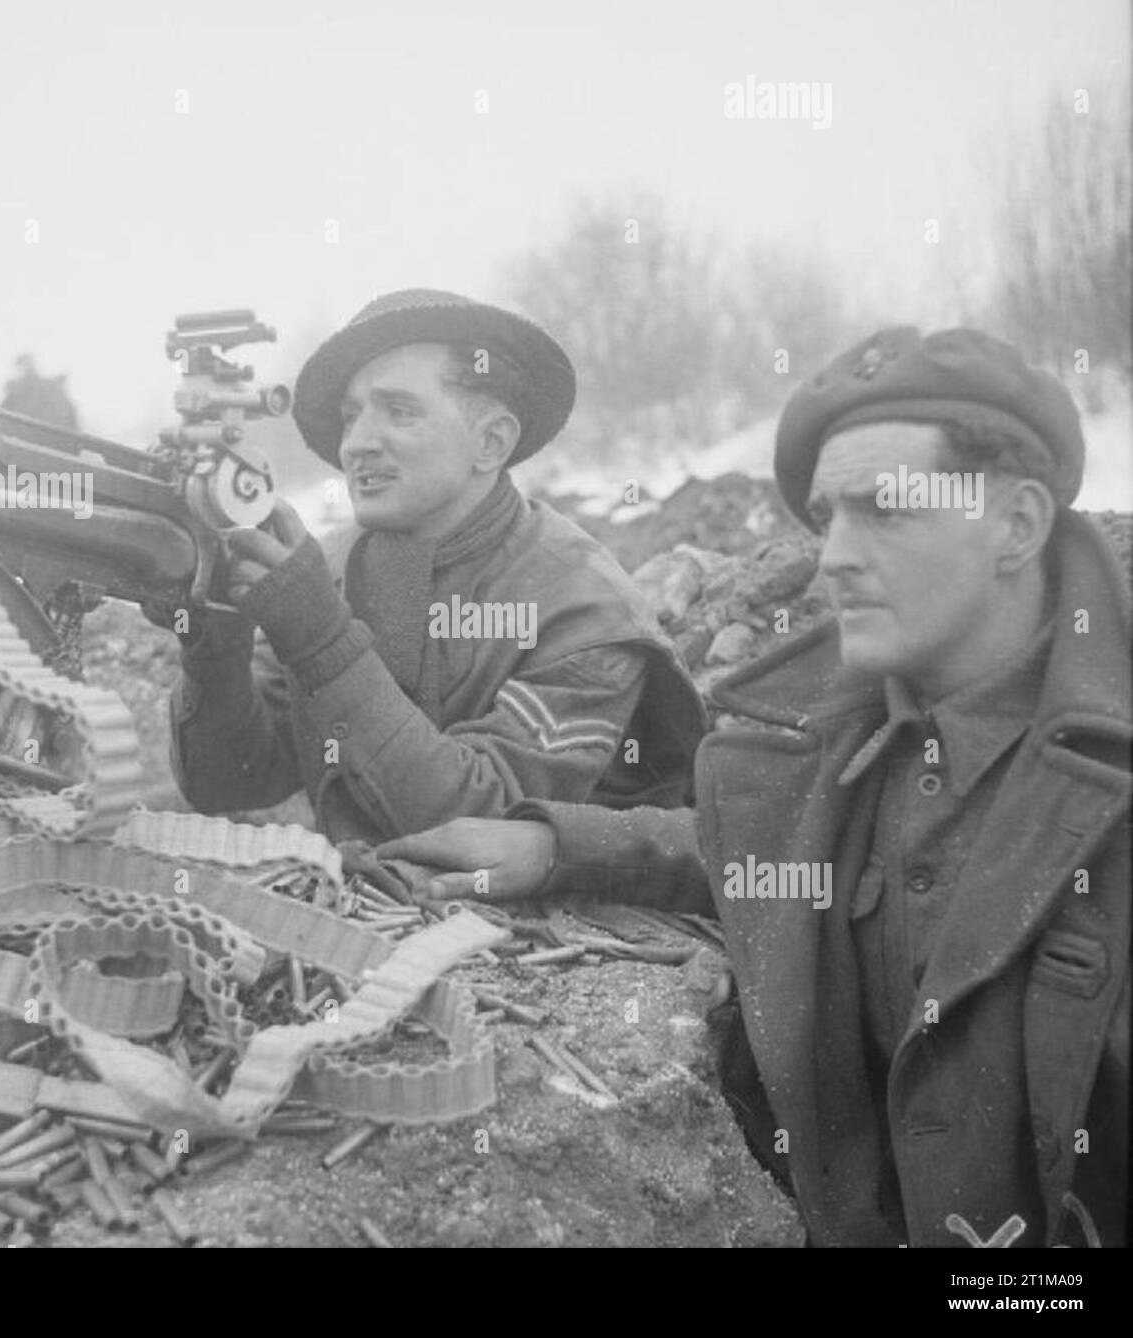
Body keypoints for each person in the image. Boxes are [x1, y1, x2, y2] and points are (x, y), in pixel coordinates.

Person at [379, 327, 1130, 1249]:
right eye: (827, 519)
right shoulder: (832, 746)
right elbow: (771, 852)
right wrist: (557, 845)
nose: (832, 560)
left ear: (1016, 525)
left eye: (883, 511)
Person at [168, 289, 704, 844]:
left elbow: (484, 825)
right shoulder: (327, 569)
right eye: (351, 417)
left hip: (569, 918)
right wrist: (216, 645)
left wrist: (323, 643)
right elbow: (226, 784)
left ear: (490, 442)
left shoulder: (584, 609)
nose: (356, 444)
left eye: (399, 412)